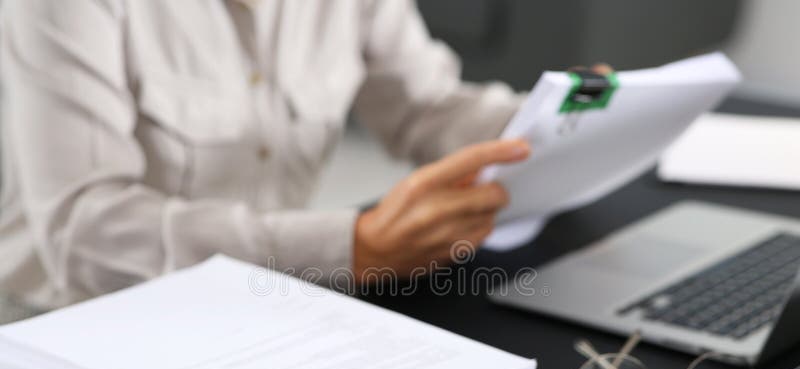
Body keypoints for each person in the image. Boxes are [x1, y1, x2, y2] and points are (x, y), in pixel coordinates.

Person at [0, 0, 532, 312]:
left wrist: (555, 119)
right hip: (67, 321)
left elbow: (425, 105)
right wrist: (348, 247)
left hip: (264, 304)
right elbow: (85, 231)